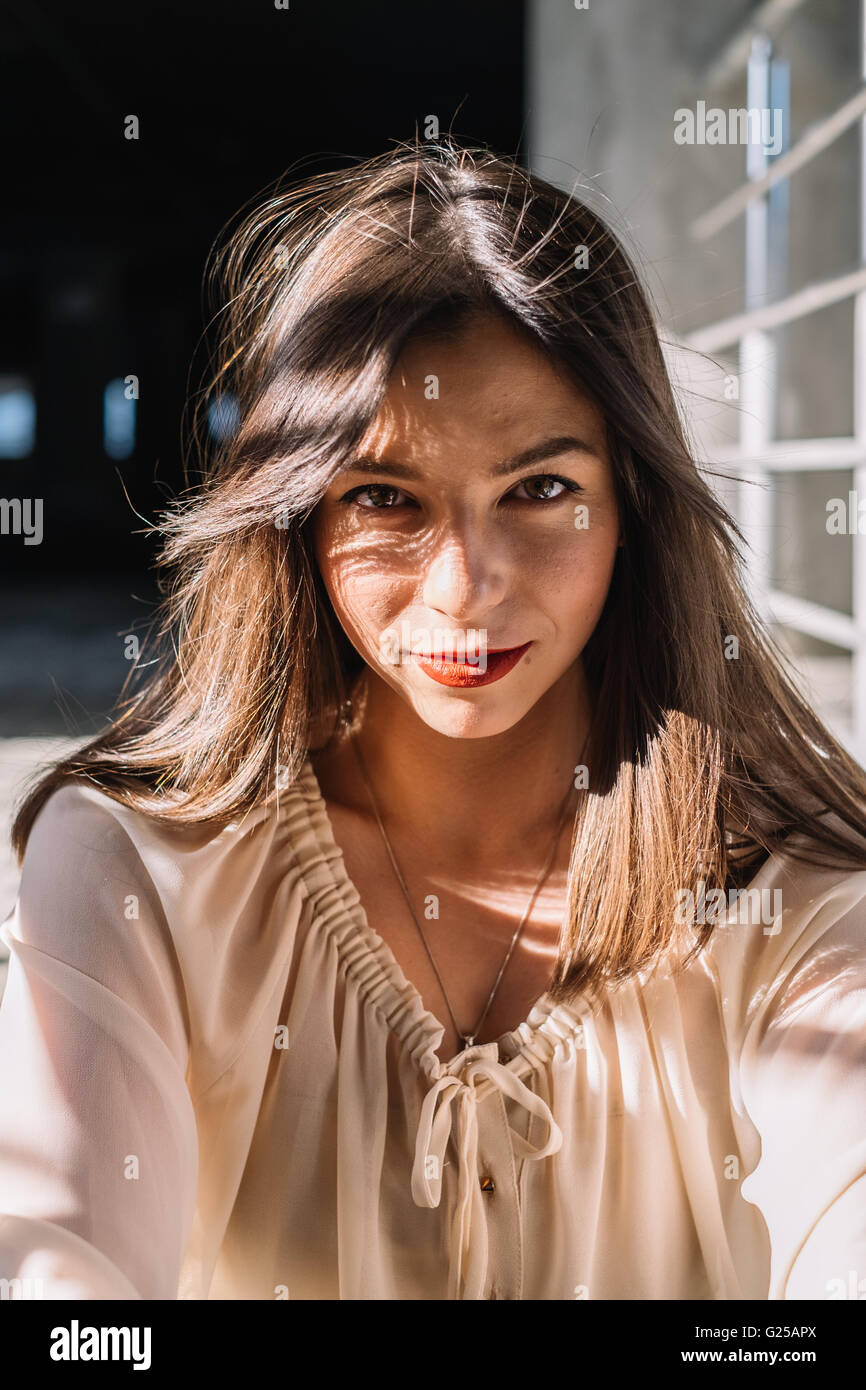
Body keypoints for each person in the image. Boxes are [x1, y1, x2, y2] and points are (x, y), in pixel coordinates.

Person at [1, 137, 865, 1302]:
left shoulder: (786, 885)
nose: (464, 584)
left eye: (540, 489)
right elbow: (62, 1286)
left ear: (633, 511)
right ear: (295, 517)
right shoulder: (136, 871)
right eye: (383, 497)